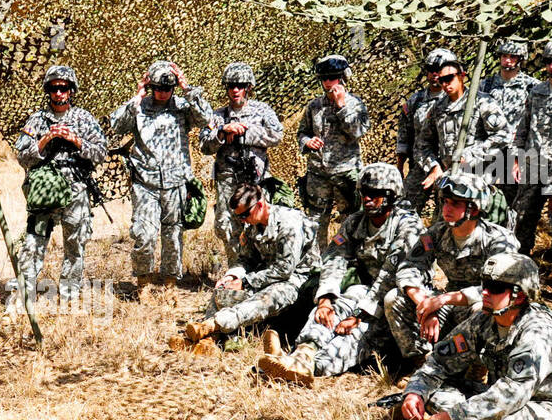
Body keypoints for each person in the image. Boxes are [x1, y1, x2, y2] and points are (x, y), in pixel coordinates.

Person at [258, 163, 422, 385]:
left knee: (358, 334)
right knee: (331, 308)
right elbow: (335, 259)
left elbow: (389, 276)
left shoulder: (408, 226)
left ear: (391, 196)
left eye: (375, 194)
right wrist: (326, 299)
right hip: (364, 290)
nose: (367, 199)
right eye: (364, 193)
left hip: (395, 300)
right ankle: (303, 354)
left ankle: (311, 367)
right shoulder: (355, 221)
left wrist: (358, 316)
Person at [400, 253, 552, 420]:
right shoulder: (484, 319)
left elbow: (513, 392)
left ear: (519, 295)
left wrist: (456, 416)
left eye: (495, 288)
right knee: (435, 396)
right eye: (485, 285)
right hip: (499, 395)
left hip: (543, 407)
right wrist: (415, 393)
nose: (485, 293)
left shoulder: (537, 332)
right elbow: (439, 362)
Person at [385, 171, 519, 362]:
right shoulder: (437, 233)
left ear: (473, 209)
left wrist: (442, 300)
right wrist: (425, 304)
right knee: (394, 298)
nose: (446, 208)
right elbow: (410, 268)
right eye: (445, 201)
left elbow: (500, 288)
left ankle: (477, 366)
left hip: (476, 302)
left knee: (484, 308)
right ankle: (422, 362)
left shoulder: (499, 239)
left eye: (455, 203)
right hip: (450, 304)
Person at [109, 60, 212, 300]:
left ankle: (169, 284)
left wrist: (188, 88)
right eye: (158, 88)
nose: (163, 93)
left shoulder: (182, 106)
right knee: (143, 235)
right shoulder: (140, 107)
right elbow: (116, 125)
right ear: (151, 86)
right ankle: (143, 282)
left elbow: (206, 118)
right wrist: (136, 96)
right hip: (145, 183)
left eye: (169, 89)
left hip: (175, 182)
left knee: (173, 236)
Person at [177, 180, 319, 353]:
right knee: (224, 291)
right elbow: (246, 259)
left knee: (263, 300)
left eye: (244, 215)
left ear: (260, 205)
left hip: (297, 281)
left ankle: (213, 325)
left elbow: (284, 270)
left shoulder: (289, 224)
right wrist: (233, 276)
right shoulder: (253, 224)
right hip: (267, 275)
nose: (242, 220)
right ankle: (207, 339)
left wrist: (246, 282)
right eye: (239, 217)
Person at [12, 65, 107, 310]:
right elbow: (21, 155)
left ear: (71, 91)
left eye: (63, 88)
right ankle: (24, 296)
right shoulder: (37, 120)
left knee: (75, 246)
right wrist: (46, 139)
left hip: (76, 191)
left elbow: (100, 153)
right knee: (33, 245)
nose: (58, 93)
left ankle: (69, 297)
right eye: (54, 88)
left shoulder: (84, 119)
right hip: (44, 194)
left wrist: (75, 140)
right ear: (48, 91)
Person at [199, 62, 284, 267]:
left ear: (248, 87)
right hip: (227, 178)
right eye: (230, 86)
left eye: (240, 85)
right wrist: (222, 132)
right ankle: (236, 269)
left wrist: (245, 132)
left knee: (260, 220)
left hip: (255, 176)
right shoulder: (217, 116)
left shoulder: (262, 110)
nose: (235, 90)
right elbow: (204, 145)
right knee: (226, 224)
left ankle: (263, 267)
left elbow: (277, 135)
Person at [416, 52, 512, 202]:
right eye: (441, 80)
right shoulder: (438, 108)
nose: (445, 84)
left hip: (479, 179)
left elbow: (503, 135)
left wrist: (468, 156)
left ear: (462, 76)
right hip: (449, 180)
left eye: (449, 78)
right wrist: (434, 166)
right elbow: (422, 144)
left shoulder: (481, 102)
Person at [298, 54, 370, 249]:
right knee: (314, 222)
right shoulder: (314, 106)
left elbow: (358, 131)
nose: (328, 83)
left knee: (351, 221)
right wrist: (307, 142)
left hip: (345, 173)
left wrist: (341, 106)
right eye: (324, 78)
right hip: (318, 174)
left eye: (333, 78)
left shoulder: (355, 104)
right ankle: (315, 267)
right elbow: (302, 132)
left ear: (343, 77)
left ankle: (349, 262)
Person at [513, 39, 552, 255]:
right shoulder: (536, 91)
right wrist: (516, 158)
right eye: (549, 62)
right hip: (532, 162)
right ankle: (519, 262)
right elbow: (524, 126)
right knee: (522, 217)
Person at [480, 39, 536, 208]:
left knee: (511, 203)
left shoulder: (532, 87)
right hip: (489, 151)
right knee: (484, 198)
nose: (507, 61)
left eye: (512, 56)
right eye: (504, 56)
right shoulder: (486, 85)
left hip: (515, 153)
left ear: (521, 59)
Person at [396, 48, 454, 212]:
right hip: (422, 164)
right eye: (431, 70)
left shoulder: (459, 100)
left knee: (447, 213)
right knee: (403, 208)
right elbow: (404, 135)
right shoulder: (416, 101)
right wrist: (400, 166)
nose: (435, 75)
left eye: (440, 70)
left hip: (450, 166)